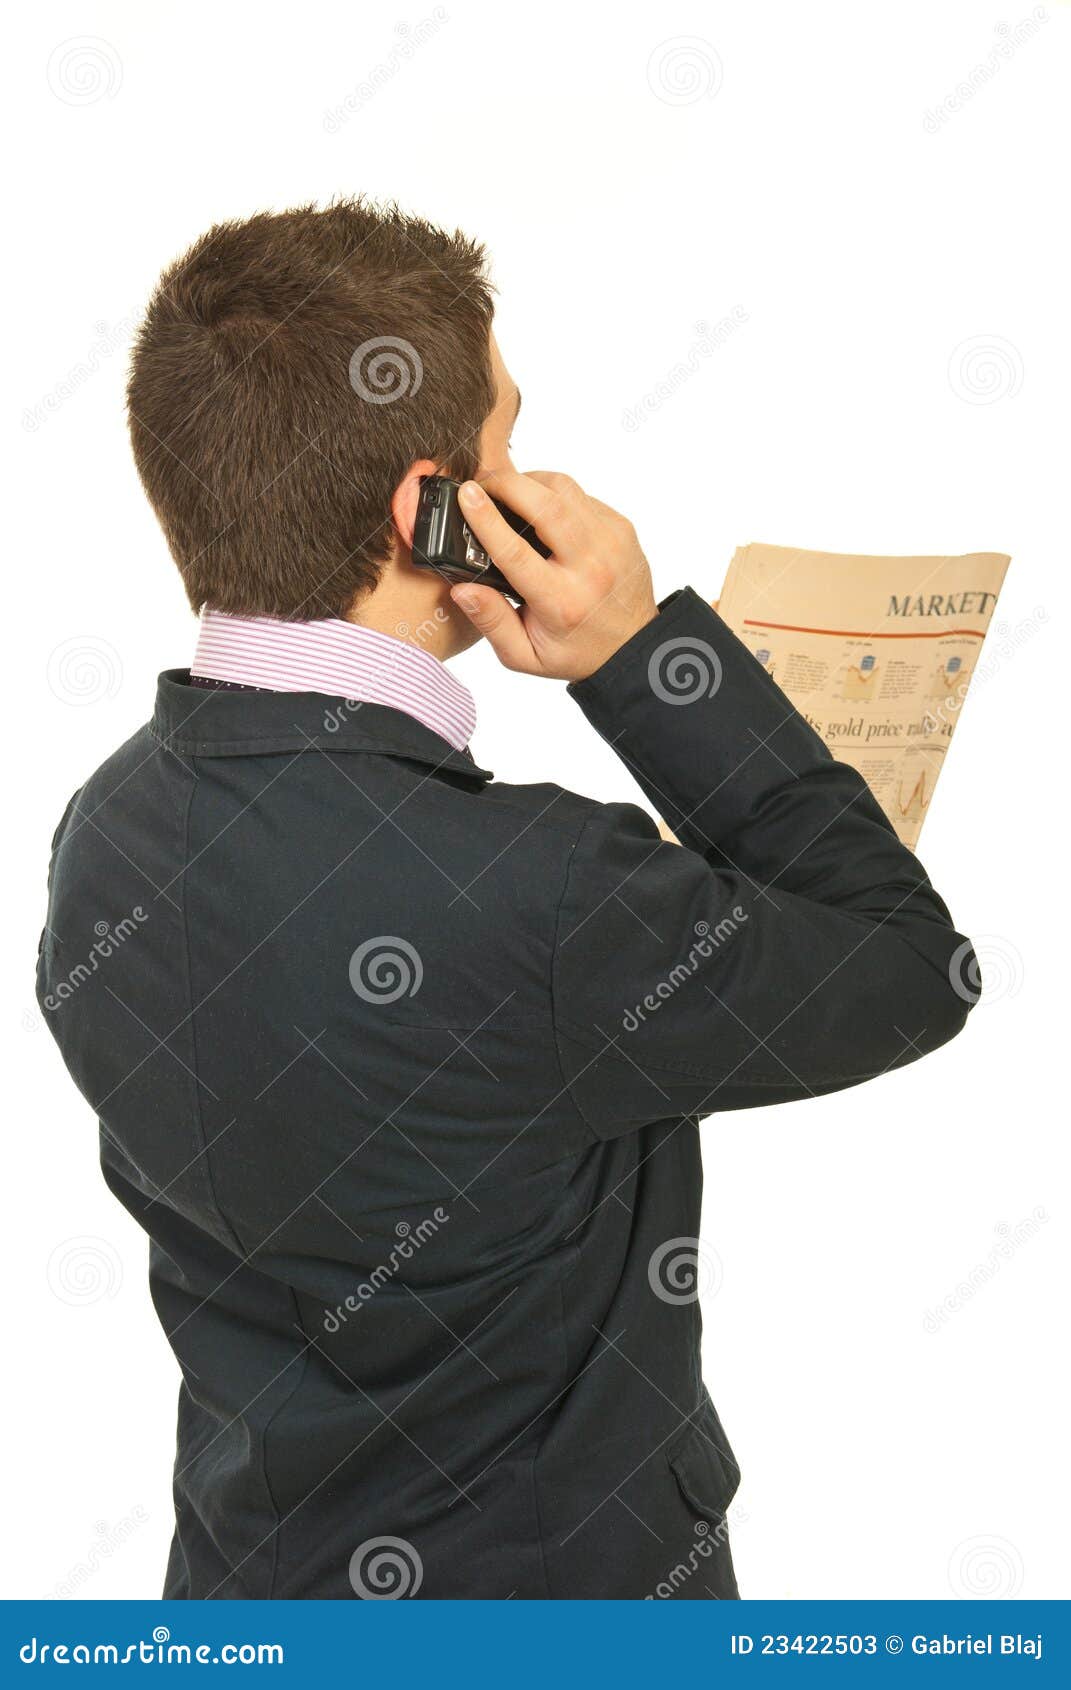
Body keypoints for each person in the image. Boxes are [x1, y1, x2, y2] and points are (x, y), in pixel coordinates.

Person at [37, 199, 977, 1600]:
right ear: (430, 511)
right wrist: (640, 655)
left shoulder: (101, 829)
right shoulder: (545, 894)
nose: (528, 480)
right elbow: (906, 965)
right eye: (507, 445)